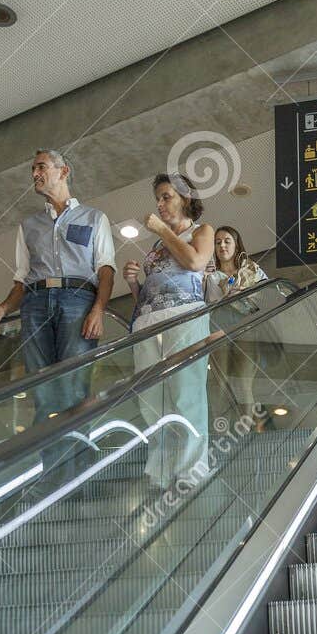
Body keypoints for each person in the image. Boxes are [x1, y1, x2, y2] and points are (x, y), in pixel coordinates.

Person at [0, 148, 115, 425]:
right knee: (41, 389)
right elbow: (22, 279)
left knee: (74, 388)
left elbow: (106, 270)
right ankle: (50, 468)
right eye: (33, 170)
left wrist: (99, 310)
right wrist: (3, 308)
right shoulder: (28, 225)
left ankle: (75, 466)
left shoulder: (94, 218)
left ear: (63, 172)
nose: (35, 174)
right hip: (35, 304)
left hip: (78, 301)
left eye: (41, 167)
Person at [123, 172, 214, 486]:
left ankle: (192, 469)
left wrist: (162, 230)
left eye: (167, 197)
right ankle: (161, 471)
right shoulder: (155, 246)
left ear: (185, 198)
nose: (160, 204)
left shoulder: (201, 230)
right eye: (158, 198)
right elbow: (150, 294)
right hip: (149, 321)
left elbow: (195, 262)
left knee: (186, 392)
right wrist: (134, 282)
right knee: (152, 398)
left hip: (185, 315)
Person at [204, 226, 268, 302]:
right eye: (218, 243)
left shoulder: (252, 269)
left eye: (227, 242)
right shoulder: (213, 278)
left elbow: (269, 294)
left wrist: (250, 294)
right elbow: (212, 310)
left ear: (237, 247)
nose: (222, 245)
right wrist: (229, 299)